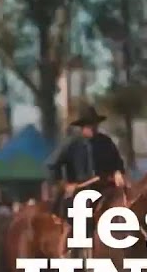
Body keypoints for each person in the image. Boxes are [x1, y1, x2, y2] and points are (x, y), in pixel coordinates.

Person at [46, 104, 127, 245]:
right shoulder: (71, 144)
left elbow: (118, 163)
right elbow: (52, 165)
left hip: (105, 189)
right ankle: (73, 250)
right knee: (79, 216)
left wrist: (118, 173)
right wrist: (65, 185)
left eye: (95, 124)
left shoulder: (106, 142)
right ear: (82, 126)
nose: (93, 127)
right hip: (80, 191)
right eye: (89, 125)